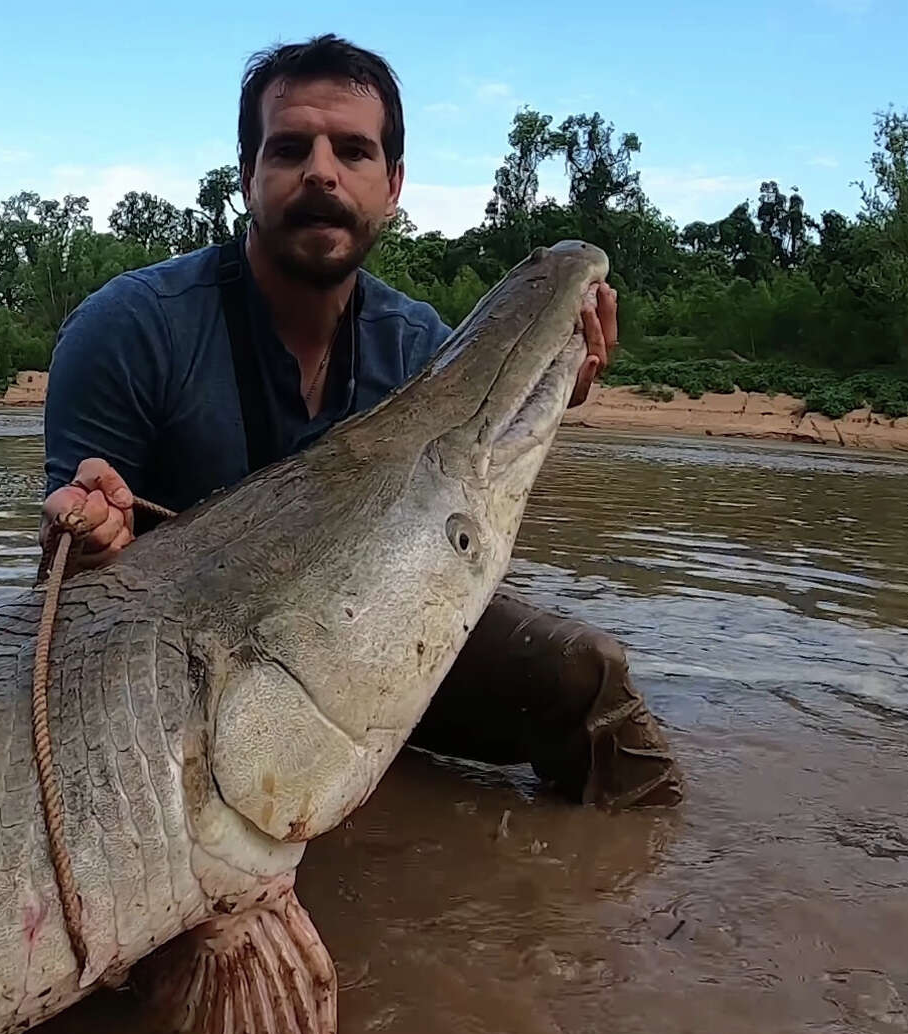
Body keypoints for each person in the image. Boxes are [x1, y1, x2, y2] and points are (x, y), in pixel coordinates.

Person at [38, 34, 679, 809]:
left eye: (353, 150)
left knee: (590, 676)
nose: (320, 171)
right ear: (247, 177)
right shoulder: (126, 330)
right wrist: (89, 538)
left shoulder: (422, 348)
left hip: (367, 643)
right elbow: (64, 617)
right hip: (175, 680)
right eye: (288, 150)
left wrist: (550, 391)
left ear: (393, 184)